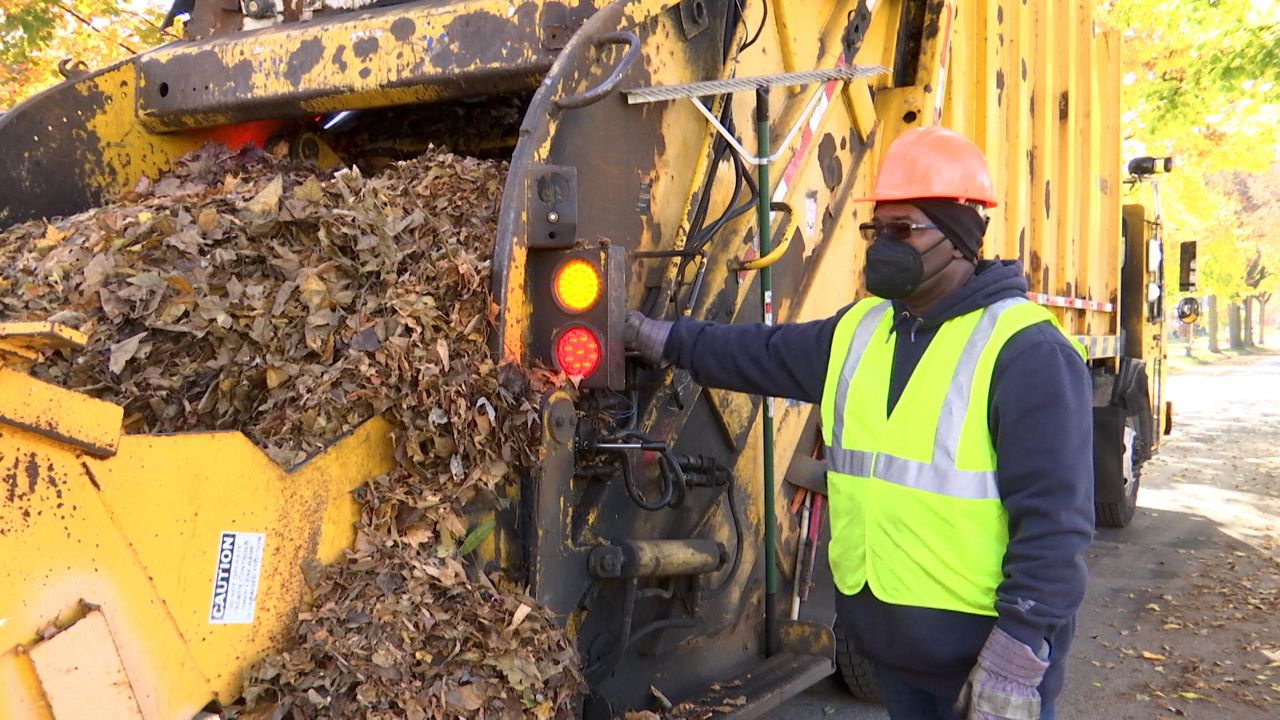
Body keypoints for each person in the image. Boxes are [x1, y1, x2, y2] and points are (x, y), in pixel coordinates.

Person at [625, 126, 1093, 720]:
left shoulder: (1026, 351)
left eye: (904, 230)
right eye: (878, 229)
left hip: (983, 665)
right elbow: (759, 353)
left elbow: (1057, 524)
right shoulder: (865, 327)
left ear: (958, 236)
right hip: (892, 658)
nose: (883, 246)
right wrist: (658, 337)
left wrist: (1017, 652)